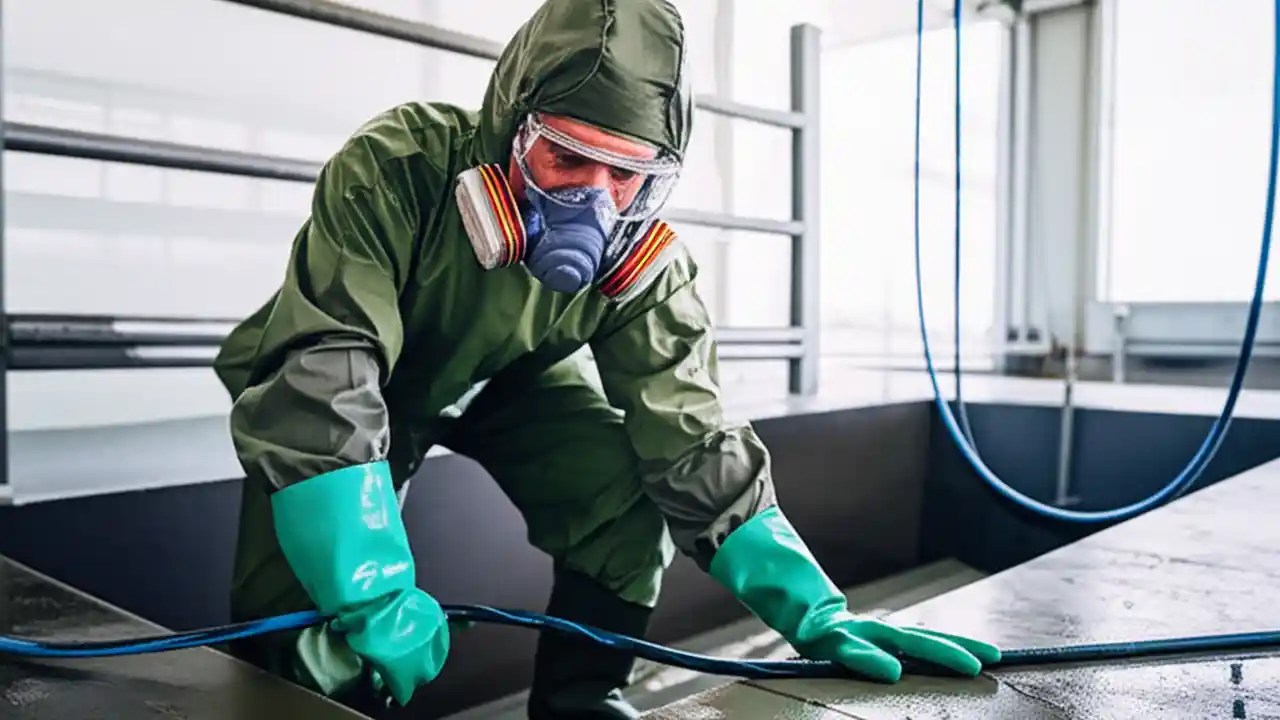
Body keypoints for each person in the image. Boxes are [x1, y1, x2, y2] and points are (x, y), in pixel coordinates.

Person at [213, 0, 1001, 716]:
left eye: (625, 174)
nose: (593, 203)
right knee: (302, 614)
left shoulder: (644, 270)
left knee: (622, 501)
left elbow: (693, 440)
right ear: (509, 130)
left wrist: (815, 610)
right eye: (565, 160)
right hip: (361, 377)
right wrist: (370, 586)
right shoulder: (398, 167)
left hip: (512, 375)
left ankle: (581, 700)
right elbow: (327, 371)